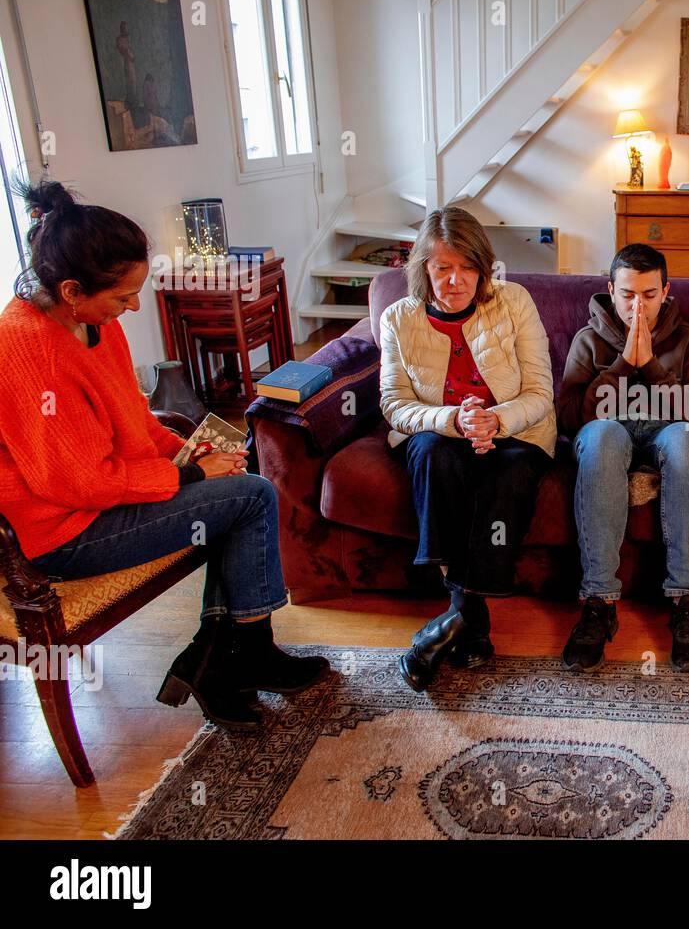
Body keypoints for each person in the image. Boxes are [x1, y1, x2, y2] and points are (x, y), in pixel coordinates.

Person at [0, 179, 329, 730]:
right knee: (249, 498)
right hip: (65, 533)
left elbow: (135, 422)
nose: (133, 307)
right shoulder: (26, 348)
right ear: (73, 290)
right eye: (122, 297)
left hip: (108, 499)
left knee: (238, 484)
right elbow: (77, 484)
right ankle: (236, 657)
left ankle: (222, 654)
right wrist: (191, 474)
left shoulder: (93, 324)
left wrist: (194, 452)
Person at [380, 207, 554, 690]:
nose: (455, 280)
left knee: (511, 468)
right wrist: (452, 419)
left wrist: (496, 421)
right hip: (443, 433)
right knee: (431, 451)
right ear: (423, 269)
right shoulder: (398, 318)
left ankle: (453, 621)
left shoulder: (513, 301)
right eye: (442, 268)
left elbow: (541, 392)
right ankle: (470, 620)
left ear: (483, 268)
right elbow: (394, 405)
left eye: (467, 267)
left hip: (516, 431)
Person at [556, 243, 689, 672]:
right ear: (611, 290)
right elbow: (571, 419)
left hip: (671, 433)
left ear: (666, 291)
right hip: (609, 434)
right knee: (604, 435)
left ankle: (686, 601)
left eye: (649, 295)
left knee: (686, 439)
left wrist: (653, 368)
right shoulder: (588, 340)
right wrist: (624, 364)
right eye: (628, 294)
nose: (638, 306)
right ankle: (598, 602)